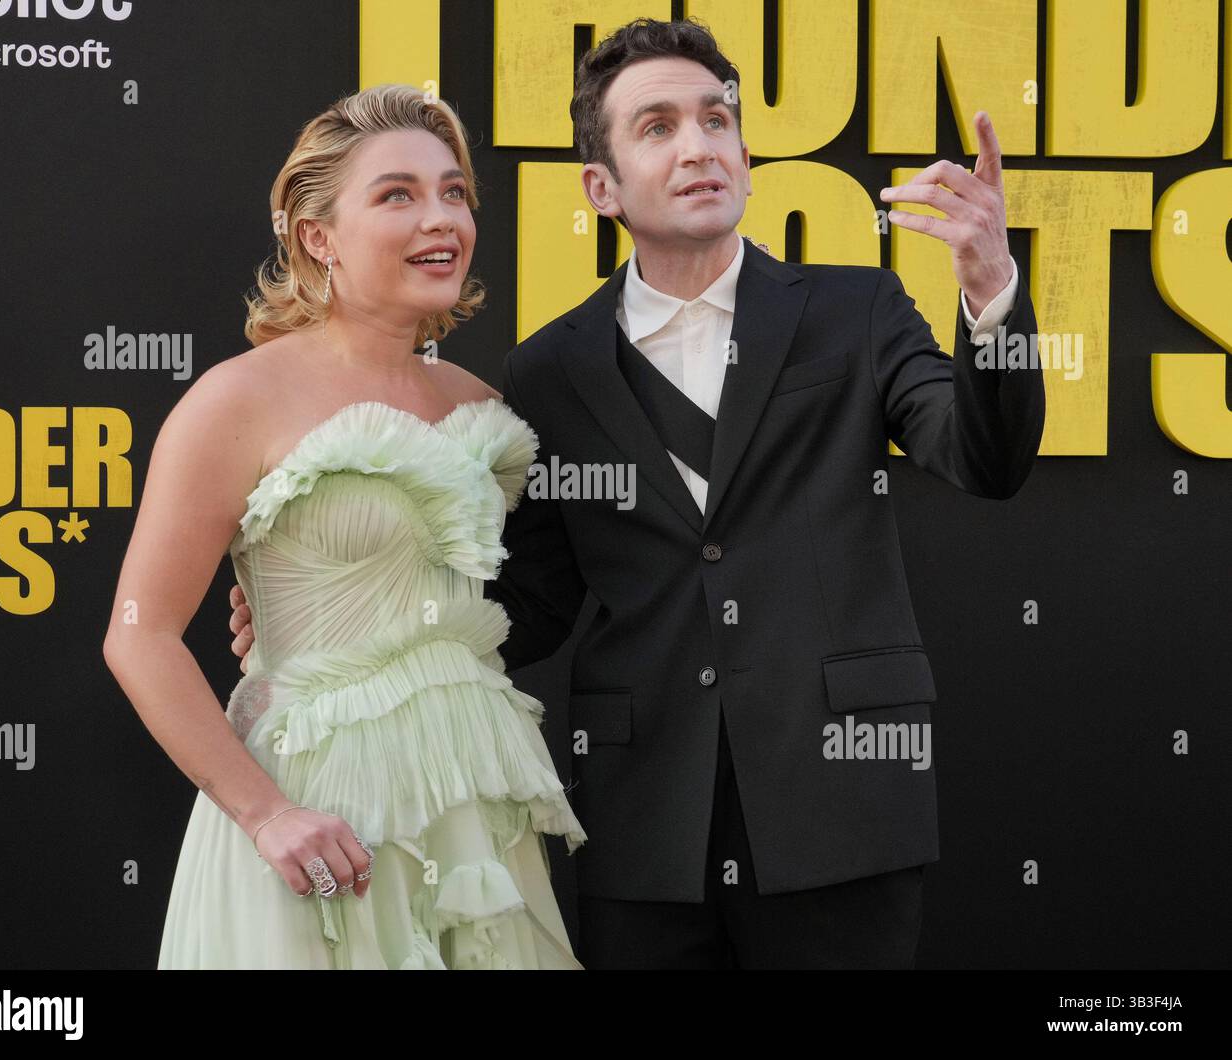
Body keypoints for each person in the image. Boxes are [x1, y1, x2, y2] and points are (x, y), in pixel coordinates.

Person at [232, 18, 1045, 969]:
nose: (698, 145)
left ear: (745, 154)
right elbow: (533, 603)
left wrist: (993, 293)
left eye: (717, 120)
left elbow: (985, 459)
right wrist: (346, 622)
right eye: (657, 126)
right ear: (600, 186)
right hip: (647, 821)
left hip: (843, 804)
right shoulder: (550, 368)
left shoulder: (855, 311)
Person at [103, 84, 586, 969]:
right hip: (320, 808)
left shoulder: (478, 402)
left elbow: (500, 599)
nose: (440, 217)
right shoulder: (236, 399)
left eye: (453, 192)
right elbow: (141, 638)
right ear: (317, 236)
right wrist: (267, 812)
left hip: (469, 807)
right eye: (396, 194)